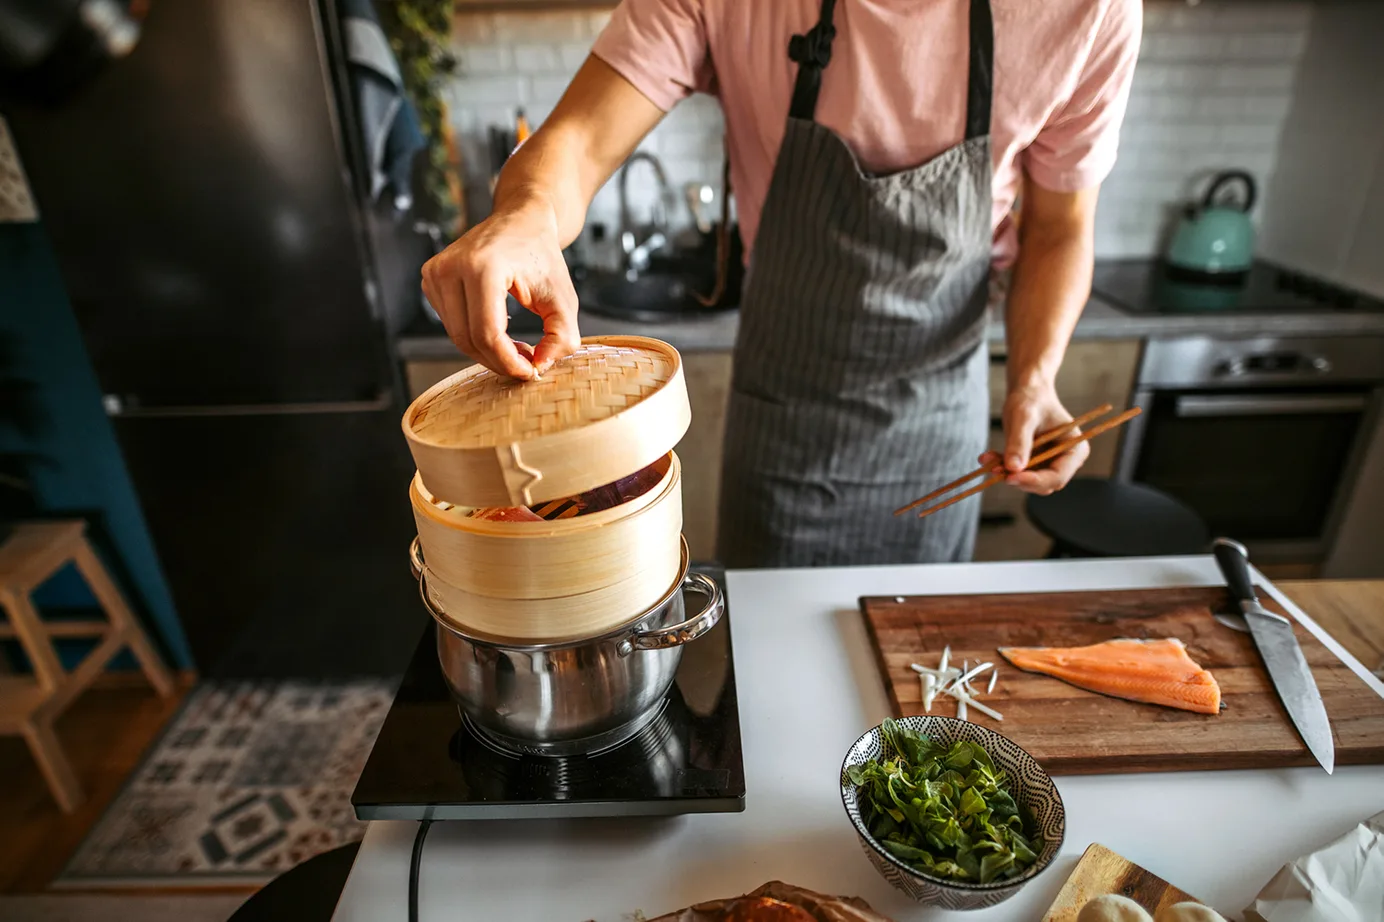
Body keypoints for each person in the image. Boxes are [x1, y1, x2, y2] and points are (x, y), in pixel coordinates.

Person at [421, 0, 1142, 569]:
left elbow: (1059, 226)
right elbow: (578, 141)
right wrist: (525, 216)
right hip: (784, 426)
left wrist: (1034, 381)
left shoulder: (1087, 10)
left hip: (935, 427)